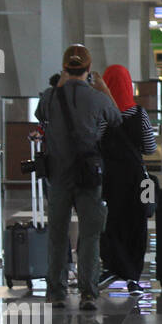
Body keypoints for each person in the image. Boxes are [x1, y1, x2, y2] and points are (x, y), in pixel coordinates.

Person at [35, 45, 122, 310]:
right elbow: (116, 119)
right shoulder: (97, 97)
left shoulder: (50, 97)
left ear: (64, 68)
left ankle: (57, 292)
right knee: (90, 235)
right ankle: (88, 293)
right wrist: (104, 90)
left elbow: (40, 116)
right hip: (88, 175)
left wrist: (59, 86)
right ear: (88, 69)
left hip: (59, 175)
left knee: (58, 234)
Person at [96, 64, 157, 295]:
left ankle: (112, 267)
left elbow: (95, 140)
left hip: (110, 179)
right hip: (136, 179)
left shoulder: (104, 115)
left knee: (111, 223)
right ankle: (133, 274)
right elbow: (150, 148)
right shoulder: (139, 114)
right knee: (137, 224)